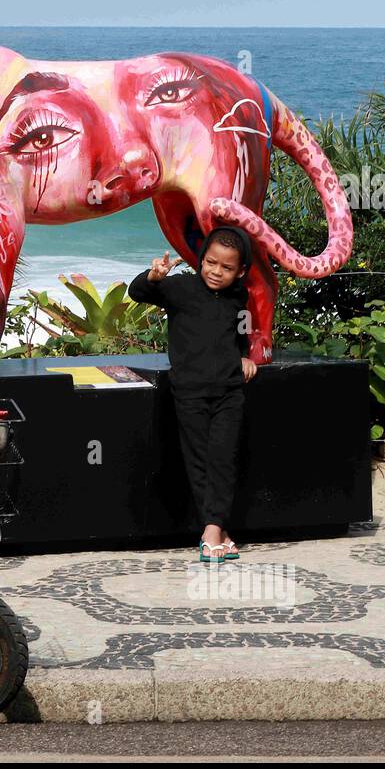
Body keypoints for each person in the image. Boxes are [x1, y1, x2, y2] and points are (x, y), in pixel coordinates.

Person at [127, 226, 257, 564]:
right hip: (190, 394)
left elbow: (242, 331)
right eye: (211, 263)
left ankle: (213, 529)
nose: (216, 272)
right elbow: (137, 292)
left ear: (240, 271)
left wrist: (245, 355)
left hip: (229, 392)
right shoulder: (180, 288)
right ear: (201, 260)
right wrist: (153, 275)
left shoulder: (239, 298)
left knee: (223, 460)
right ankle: (216, 530)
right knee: (200, 461)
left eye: (227, 268)